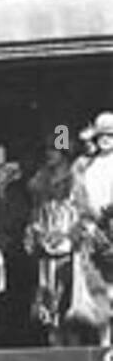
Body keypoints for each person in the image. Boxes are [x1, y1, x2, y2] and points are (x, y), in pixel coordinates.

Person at [25, 147, 77, 346]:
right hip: (46, 242)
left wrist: (68, 234)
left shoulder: (75, 178)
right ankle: (53, 335)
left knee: (67, 289)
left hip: (68, 240)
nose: (50, 155)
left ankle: (70, 335)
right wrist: (35, 232)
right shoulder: (41, 179)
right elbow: (35, 210)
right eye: (47, 151)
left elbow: (79, 212)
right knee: (47, 288)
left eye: (54, 151)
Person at [70, 111, 113, 346]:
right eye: (102, 135)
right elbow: (79, 199)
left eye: (111, 135)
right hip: (95, 230)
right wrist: (88, 225)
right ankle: (104, 340)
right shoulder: (87, 166)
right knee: (99, 288)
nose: (106, 139)